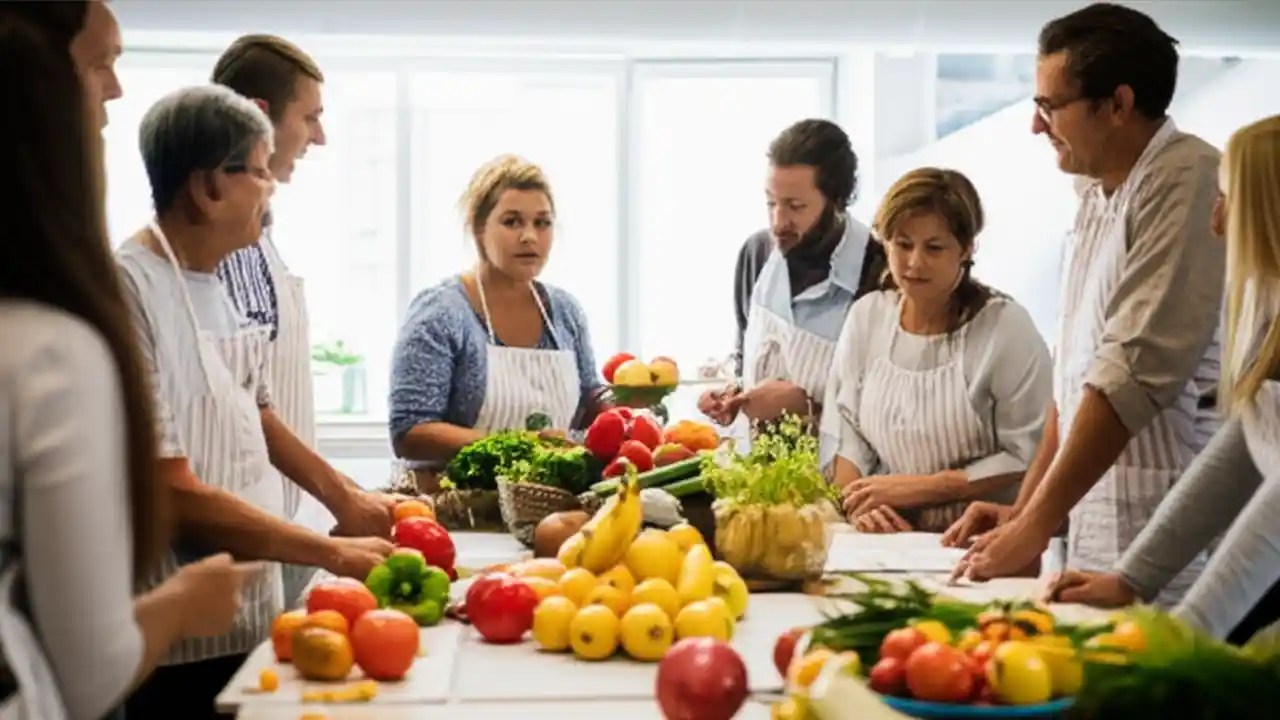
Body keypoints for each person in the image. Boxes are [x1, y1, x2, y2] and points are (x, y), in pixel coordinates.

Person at [0, 9, 254, 720]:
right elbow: (87, 675)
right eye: (99, 64)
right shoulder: (49, 348)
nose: (114, 94)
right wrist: (180, 605)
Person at [115, 85, 393, 718]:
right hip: (177, 634)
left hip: (254, 613)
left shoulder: (216, 274)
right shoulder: (128, 288)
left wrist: (344, 497)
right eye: (262, 172)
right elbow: (172, 490)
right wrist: (328, 549)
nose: (272, 189)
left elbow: (257, 409)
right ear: (210, 187)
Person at [945, 3, 1225, 606]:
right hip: (1095, 533)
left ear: (1118, 104)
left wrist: (1035, 522)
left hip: (1169, 548)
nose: (1036, 126)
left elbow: (1128, 376)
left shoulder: (1189, 177)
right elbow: (1074, 383)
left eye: (1050, 106)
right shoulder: (1095, 195)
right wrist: (1023, 513)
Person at [1045, 114, 1280, 644]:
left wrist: (1187, 633)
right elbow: (1247, 442)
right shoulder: (1268, 320)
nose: (1215, 224)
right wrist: (1133, 578)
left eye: (1228, 201)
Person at [820, 168, 1052, 533]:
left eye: (934, 247)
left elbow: (1029, 452)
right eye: (902, 243)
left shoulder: (1005, 328)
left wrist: (927, 488)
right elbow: (846, 430)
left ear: (966, 248)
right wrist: (858, 503)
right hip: (890, 536)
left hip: (982, 537)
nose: (914, 262)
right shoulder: (868, 317)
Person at [390, 155, 604, 491]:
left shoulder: (565, 312)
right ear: (478, 228)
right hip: (458, 509)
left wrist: (625, 405)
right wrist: (521, 444)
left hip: (550, 506)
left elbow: (590, 402)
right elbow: (410, 432)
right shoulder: (442, 314)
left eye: (542, 223)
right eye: (512, 222)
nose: (529, 237)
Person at [211, 33, 336, 605]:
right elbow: (247, 405)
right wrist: (344, 497)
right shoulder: (223, 245)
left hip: (278, 529)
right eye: (309, 117)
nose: (319, 136)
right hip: (237, 542)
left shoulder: (259, 239)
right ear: (260, 116)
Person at [700, 119, 885, 435]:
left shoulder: (879, 274)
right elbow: (748, 359)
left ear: (838, 201)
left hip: (844, 480)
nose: (778, 222)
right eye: (771, 202)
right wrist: (734, 396)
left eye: (795, 206)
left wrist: (809, 408)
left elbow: (893, 415)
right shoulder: (756, 254)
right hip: (758, 472)